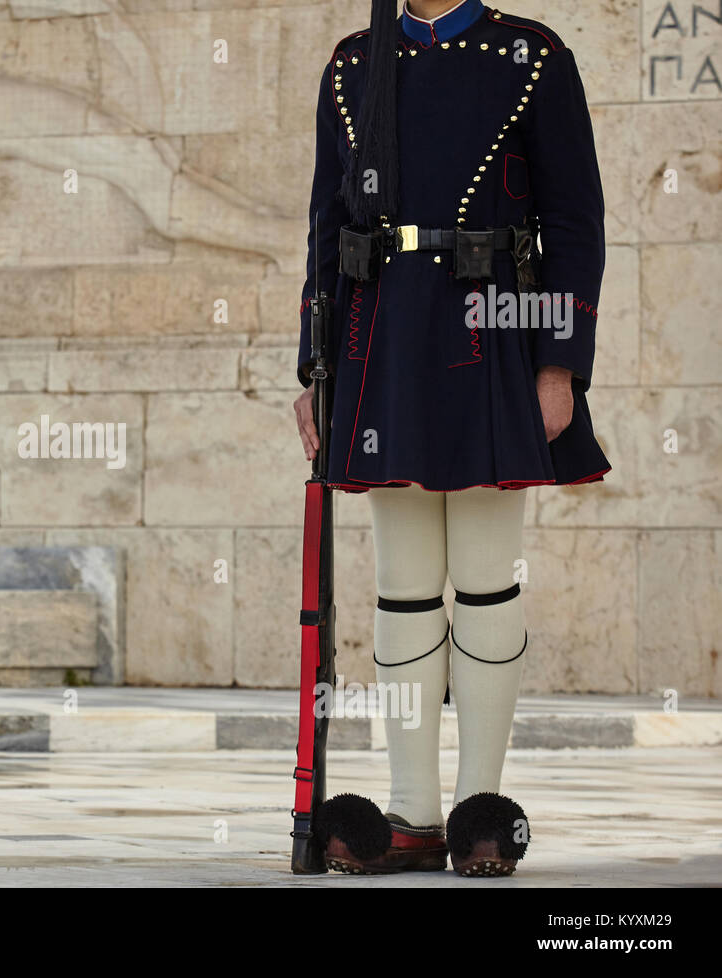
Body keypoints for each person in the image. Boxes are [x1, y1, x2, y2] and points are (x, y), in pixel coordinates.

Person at [293, 0, 610, 877]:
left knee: (484, 575)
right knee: (401, 584)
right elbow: (326, 228)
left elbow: (574, 223)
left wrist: (558, 365)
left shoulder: (530, 56)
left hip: (492, 332)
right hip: (382, 341)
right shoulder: (354, 64)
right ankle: (412, 811)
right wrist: (315, 366)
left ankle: (480, 811)